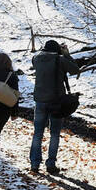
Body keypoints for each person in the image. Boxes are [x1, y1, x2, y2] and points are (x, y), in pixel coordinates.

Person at [30, 40, 80, 175]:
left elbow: (36, 61)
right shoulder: (60, 59)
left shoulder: (36, 59)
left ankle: (34, 163)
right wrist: (67, 54)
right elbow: (75, 70)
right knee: (54, 134)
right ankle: (50, 164)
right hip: (57, 102)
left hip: (40, 101)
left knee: (38, 133)